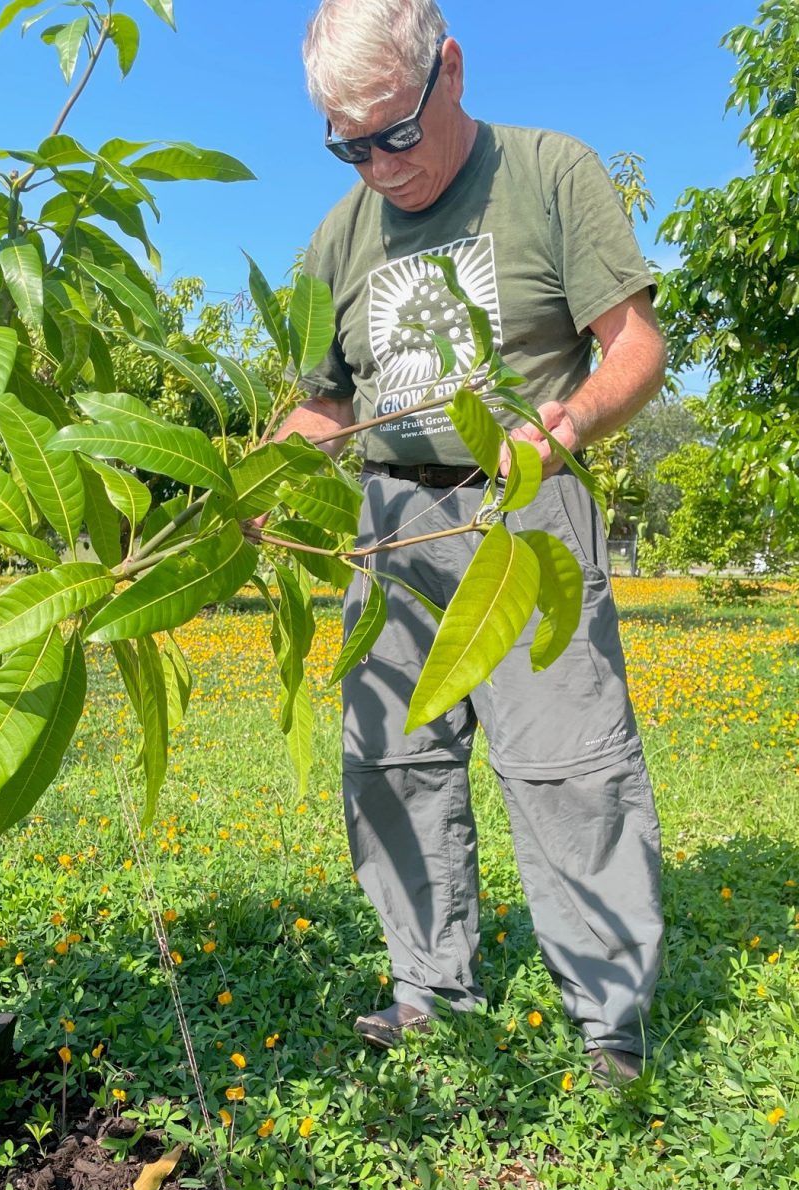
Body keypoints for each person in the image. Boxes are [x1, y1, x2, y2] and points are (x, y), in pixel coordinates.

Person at [274, 0, 666, 1083]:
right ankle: (428, 989)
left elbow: (636, 346)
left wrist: (570, 422)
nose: (380, 166)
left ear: (449, 69)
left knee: (570, 766)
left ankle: (609, 1022)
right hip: (390, 524)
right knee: (390, 762)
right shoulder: (338, 235)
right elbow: (324, 407)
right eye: (349, 146)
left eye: (394, 132)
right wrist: (258, 480)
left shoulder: (549, 172)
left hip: (523, 511)